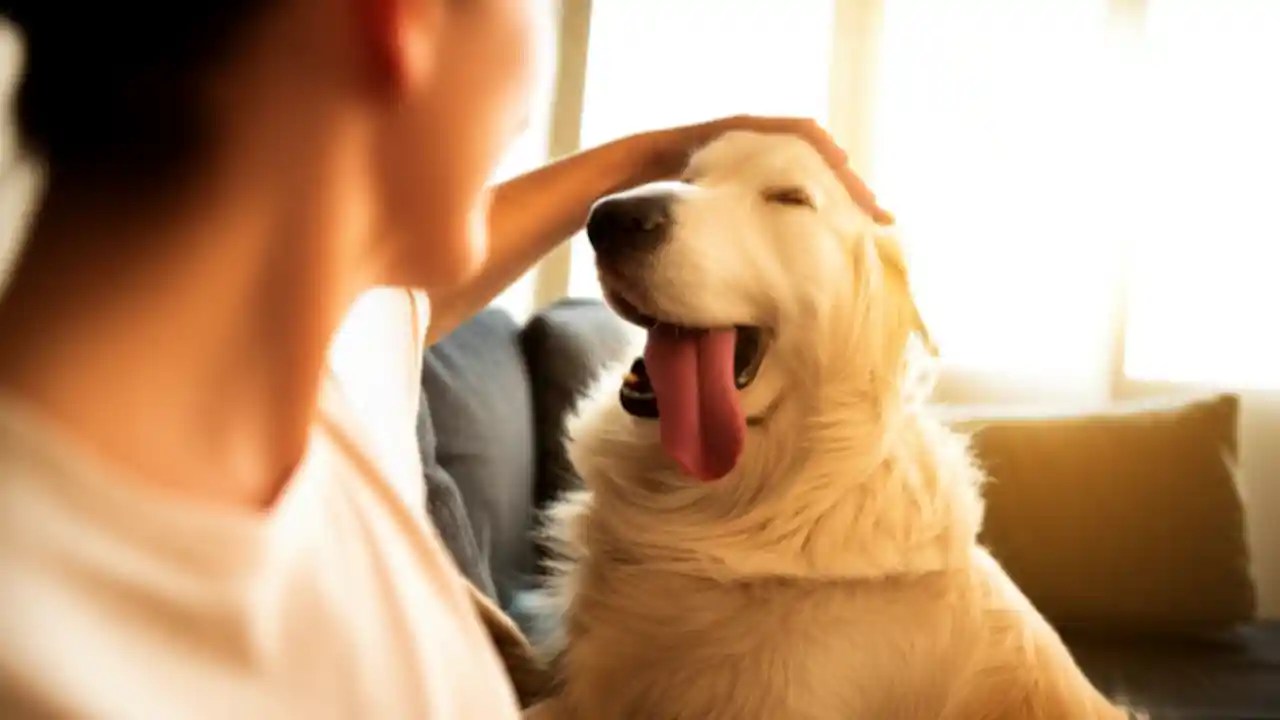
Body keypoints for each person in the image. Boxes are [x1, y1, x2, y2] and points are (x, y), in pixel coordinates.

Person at [0, 0, 890, 717]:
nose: (527, 99)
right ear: (403, 19)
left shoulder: (304, 359)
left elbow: (393, 291)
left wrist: (663, 153)